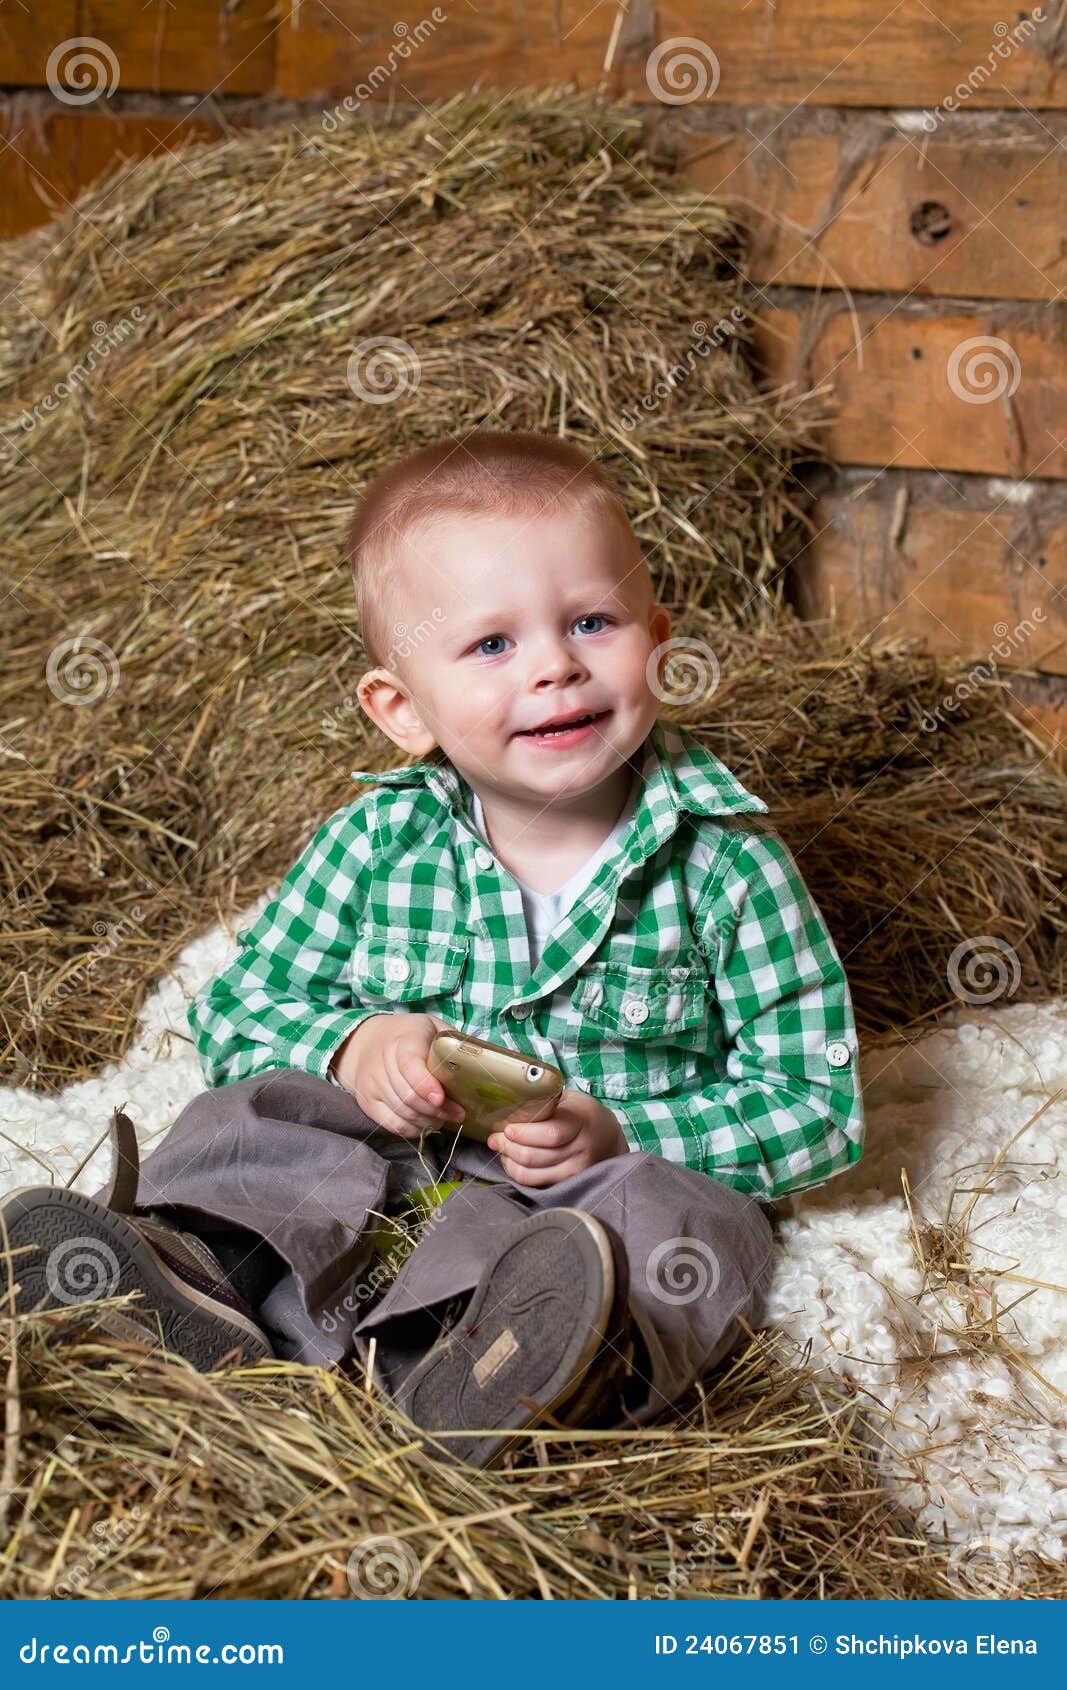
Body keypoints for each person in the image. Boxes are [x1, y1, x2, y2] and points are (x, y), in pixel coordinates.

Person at [0, 430, 865, 1469]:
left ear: (657, 641)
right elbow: (241, 1008)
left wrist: (622, 1128)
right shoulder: (377, 843)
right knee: (257, 1113)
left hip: (580, 1199)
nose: (554, 665)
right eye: (492, 645)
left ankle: (528, 1363)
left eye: (591, 621)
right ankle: (192, 1277)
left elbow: (815, 1107)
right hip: (379, 1154)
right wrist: (355, 1044)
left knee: (693, 1223)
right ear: (401, 709)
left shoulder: (726, 864)